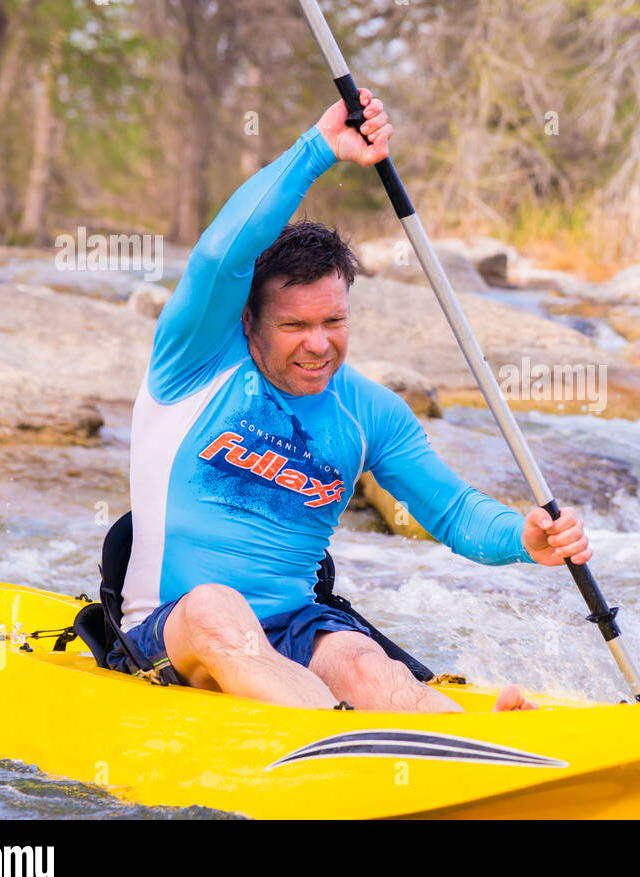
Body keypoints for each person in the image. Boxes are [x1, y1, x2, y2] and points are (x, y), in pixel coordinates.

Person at [106, 89, 590, 713]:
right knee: (216, 609)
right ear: (248, 321)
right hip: (168, 630)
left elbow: (455, 512)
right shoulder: (195, 363)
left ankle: (480, 745)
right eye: (294, 327)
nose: (318, 345)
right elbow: (218, 256)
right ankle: (336, 742)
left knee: (360, 659)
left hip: (295, 629)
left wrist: (525, 537)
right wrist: (319, 150)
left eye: (334, 321)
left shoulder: (370, 413)